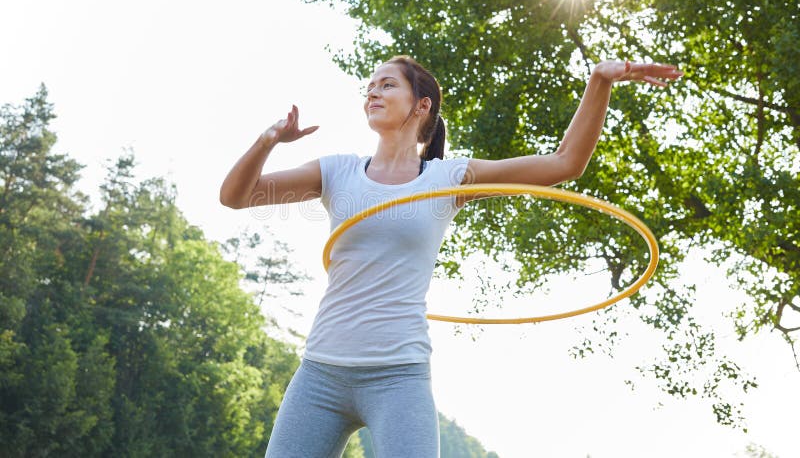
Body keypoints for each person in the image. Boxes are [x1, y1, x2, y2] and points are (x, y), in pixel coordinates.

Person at [219, 55, 683, 458]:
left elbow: (565, 163)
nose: (372, 94)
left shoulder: (448, 178)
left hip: (397, 376)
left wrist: (599, 81)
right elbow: (237, 197)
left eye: (387, 84)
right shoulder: (336, 171)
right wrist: (268, 140)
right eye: (369, 87)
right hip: (320, 372)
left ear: (422, 106)